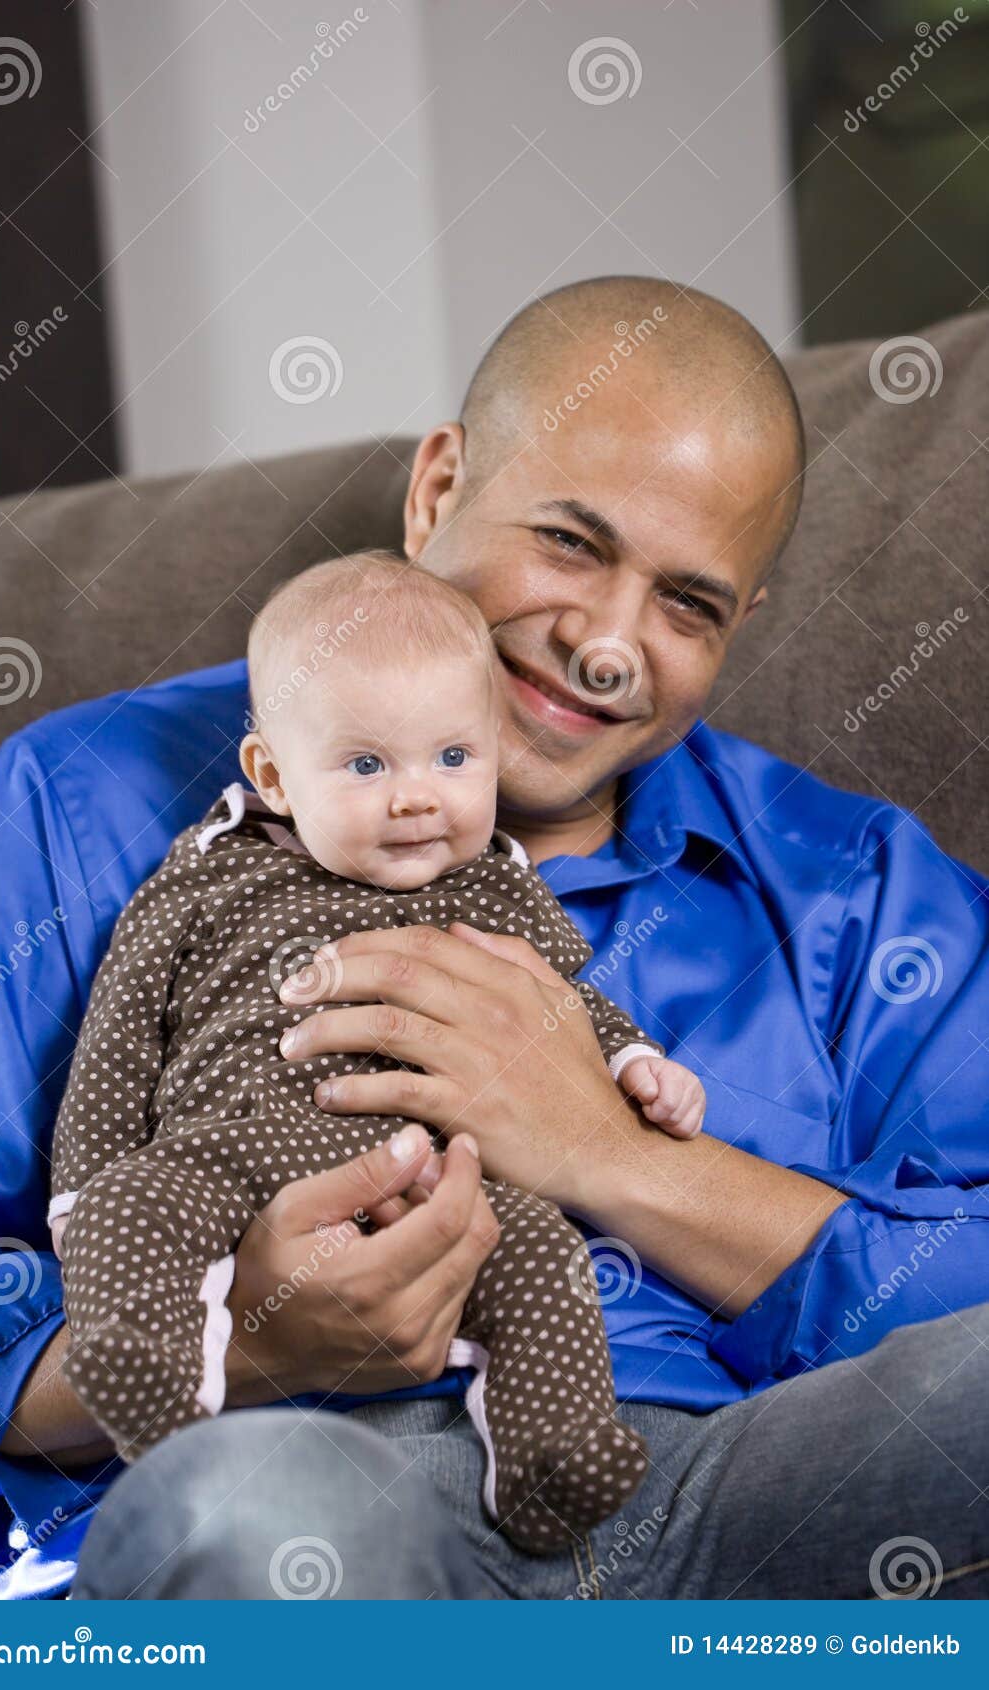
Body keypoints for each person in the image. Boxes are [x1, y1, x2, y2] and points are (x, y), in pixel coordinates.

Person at [0, 278, 987, 1602]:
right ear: (435, 491)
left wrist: (617, 1158)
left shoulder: (855, 889)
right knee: (270, 1519)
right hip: (312, 1487)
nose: (606, 647)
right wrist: (240, 1341)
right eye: (569, 543)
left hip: (737, 1491)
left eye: (686, 605)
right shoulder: (80, 804)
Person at [49, 552, 704, 1548]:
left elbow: (565, 1007)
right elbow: (118, 1041)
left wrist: (630, 1064)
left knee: (543, 1254)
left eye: (453, 757)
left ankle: (553, 1453)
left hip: (441, 1175)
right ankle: (148, 1371)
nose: (417, 798)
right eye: (366, 765)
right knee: (129, 1209)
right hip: (239, 1149)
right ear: (273, 775)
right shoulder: (204, 883)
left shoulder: (493, 887)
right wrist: (82, 1191)